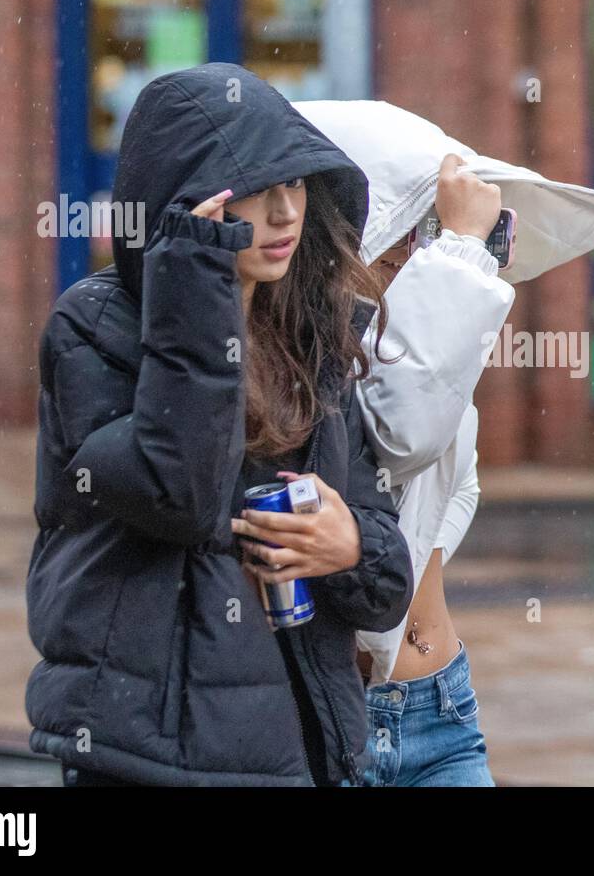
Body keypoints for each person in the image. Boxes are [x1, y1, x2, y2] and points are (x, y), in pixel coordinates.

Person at [26, 63, 414, 786]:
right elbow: (181, 493)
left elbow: (389, 578)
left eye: (296, 186)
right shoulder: (94, 327)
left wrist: (348, 544)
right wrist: (196, 284)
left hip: (302, 747)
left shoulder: (310, 340)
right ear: (184, 207)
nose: (286, 213)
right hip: (149, 753)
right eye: (258, 193)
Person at [292, 99, 594, 785]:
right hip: (345, 719)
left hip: (442, 708)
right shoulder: (315, 351)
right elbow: (405, 432)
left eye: (431, 229)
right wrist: (457, 249)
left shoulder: (422, 326)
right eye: (406, 228)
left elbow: (460, 479)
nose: (417, 249)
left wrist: (414, 553)